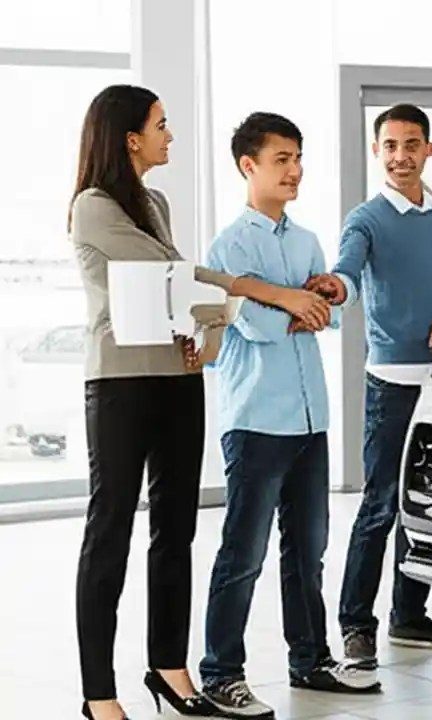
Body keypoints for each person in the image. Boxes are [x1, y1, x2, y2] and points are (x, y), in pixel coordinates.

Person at [70, 85, 333, 720]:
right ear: (130, 136)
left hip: (177, 378)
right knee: (109, 533)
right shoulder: (93, 207)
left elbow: (182, 298)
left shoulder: (154, 201)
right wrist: (273, 295)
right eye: (161, 125)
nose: (170, 135)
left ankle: (170, 669)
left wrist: (204, 329)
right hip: (121, 385)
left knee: (176, 531)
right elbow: (176, 277)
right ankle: (99, 696)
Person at [196, 112, 381, 718]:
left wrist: (318, 298)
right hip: (255, 420)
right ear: (249, 166)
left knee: (308, 549)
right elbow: (255, 322)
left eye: (299, 157)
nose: (296, 169)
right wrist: (296, 306)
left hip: (310, 419)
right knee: (242, 554)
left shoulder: (306, 241)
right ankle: (222, 672)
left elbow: (326, 312)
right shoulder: (230, 245)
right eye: (282, 159)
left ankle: (311, 660)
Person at [306, 103, 432, 666]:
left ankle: (409, 616)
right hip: (390, 386)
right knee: (381, 504)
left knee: (424, 503)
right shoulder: (365, 219)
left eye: (411, 145)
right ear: (376, 152)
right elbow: (346, 273)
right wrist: (336, 289)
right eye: (389, 146)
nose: (400, 156)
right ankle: (356, 624)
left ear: (429, 150)